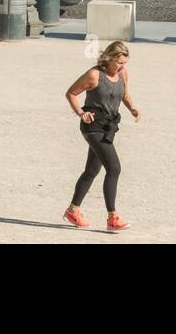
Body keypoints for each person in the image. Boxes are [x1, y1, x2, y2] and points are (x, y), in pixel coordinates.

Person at [63, 41, 139, 231]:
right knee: (114, 168)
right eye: (119, 63)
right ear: (110, 58)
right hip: (93, 126)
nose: (122, 67)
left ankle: (73, 211)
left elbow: (125, 95)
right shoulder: (94, 75)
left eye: (125, 63)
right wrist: (81, 113)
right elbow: (71, 93)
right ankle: (112, 218)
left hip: (109, 127)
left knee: (91, 171)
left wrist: (133, 109)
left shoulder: (123, 74)